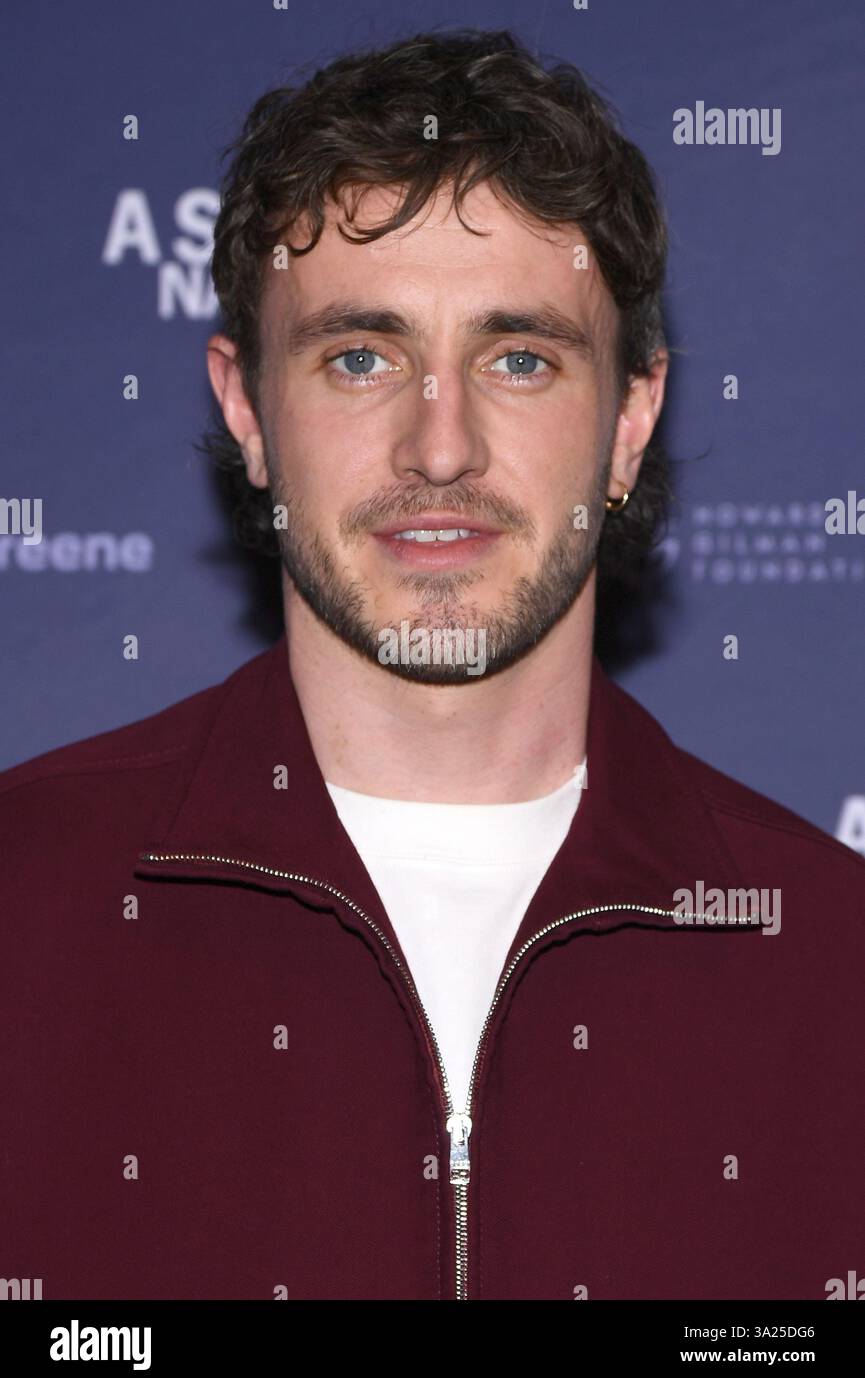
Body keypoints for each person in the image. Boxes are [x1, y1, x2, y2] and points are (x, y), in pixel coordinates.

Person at [2, 29, 863, 1302]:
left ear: (630, 420)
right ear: (248, 413)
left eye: (519, 358)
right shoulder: (24, 912)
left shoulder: (833, 964)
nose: (440, 444)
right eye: (362, 356)